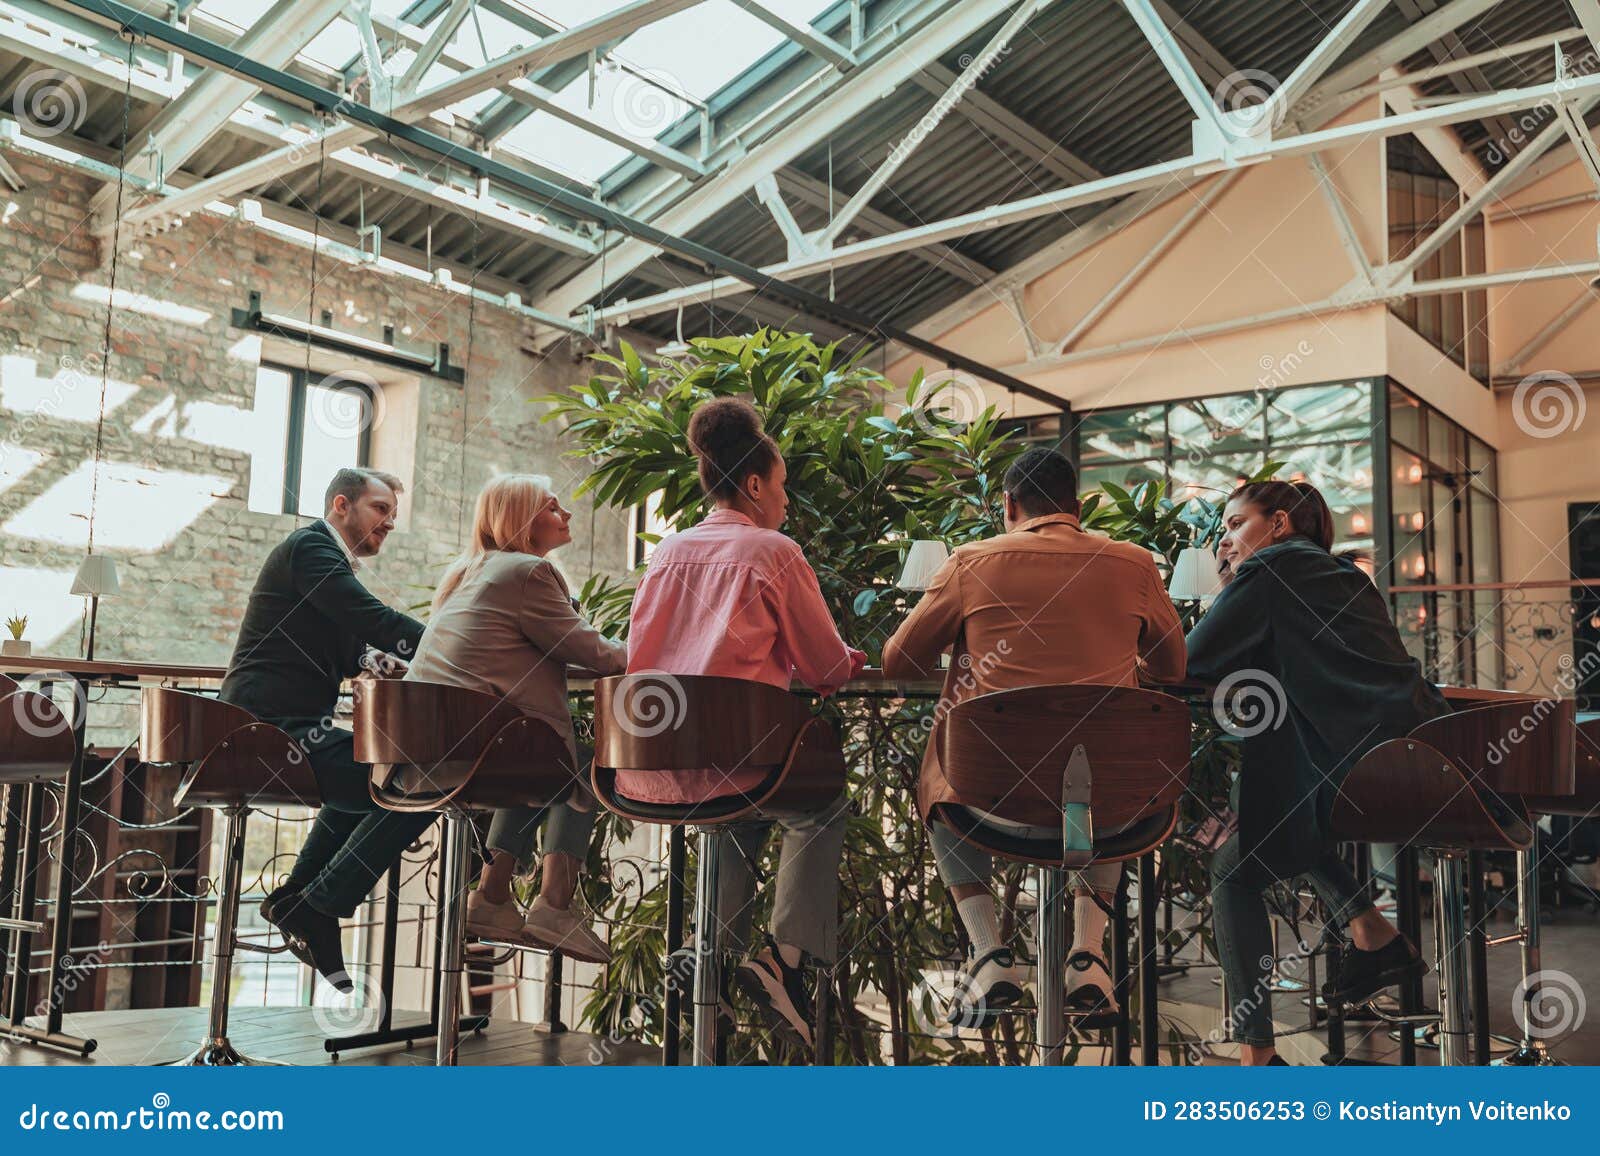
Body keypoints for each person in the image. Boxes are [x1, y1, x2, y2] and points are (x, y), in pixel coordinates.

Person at [882, 446, 1186, 1025]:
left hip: (992, 805)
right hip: (1118, 811)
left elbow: (898, 661)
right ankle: (1088, 953)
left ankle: (988, 950)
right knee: (1104, 766)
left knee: (942, 764)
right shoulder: (1134, 563)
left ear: (1008, 506)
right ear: (1077, 507)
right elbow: (1172, 669)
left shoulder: (972, 563)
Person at [619, 397, 866, 1051]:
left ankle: (704, 954)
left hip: (648, 763)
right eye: (782, 488)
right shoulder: (772, 550)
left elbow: (640, 655)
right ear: (755, 484)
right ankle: (781, 959)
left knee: (739, 814)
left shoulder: (666, 553)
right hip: (737, 762)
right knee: (818, 806)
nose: (785, 503)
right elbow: (826, 669)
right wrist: (855, 659)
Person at [1186, 479, 1442, 1066]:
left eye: (1234, 524)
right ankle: (1371, 931)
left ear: (1277, 524)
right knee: (1270, 800)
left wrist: (1226, 589)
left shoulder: (1270, 570)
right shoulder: (1346, 574)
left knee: (1232, 863)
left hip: (1361, 774)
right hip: (1424, 758)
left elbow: (1194, 659)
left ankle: (1258, 1056)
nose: (1226, 539)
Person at [221, 467, 428, 991]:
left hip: (289, 729)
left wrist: (393, 667)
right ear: (342, 505)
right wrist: (450, 650)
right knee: (415, 787)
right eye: (381, 510)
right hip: (261, 731)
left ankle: (301, 900)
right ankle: (315, 904)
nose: (389, 524)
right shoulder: (310, 549)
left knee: (374, 774)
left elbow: (354, 649)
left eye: (392, 515)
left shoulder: (329, 565)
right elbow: (372, 619)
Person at [405, 474, 626, 964]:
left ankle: (494, 895)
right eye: (553, 507)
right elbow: (597, 654)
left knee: (536, 758)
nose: (566, 515)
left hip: (418, 752)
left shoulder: (472, 571)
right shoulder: (528, 572)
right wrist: (657, 654)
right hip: (468, 755)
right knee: (584, 766)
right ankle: (553, 906)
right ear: (523, 521)